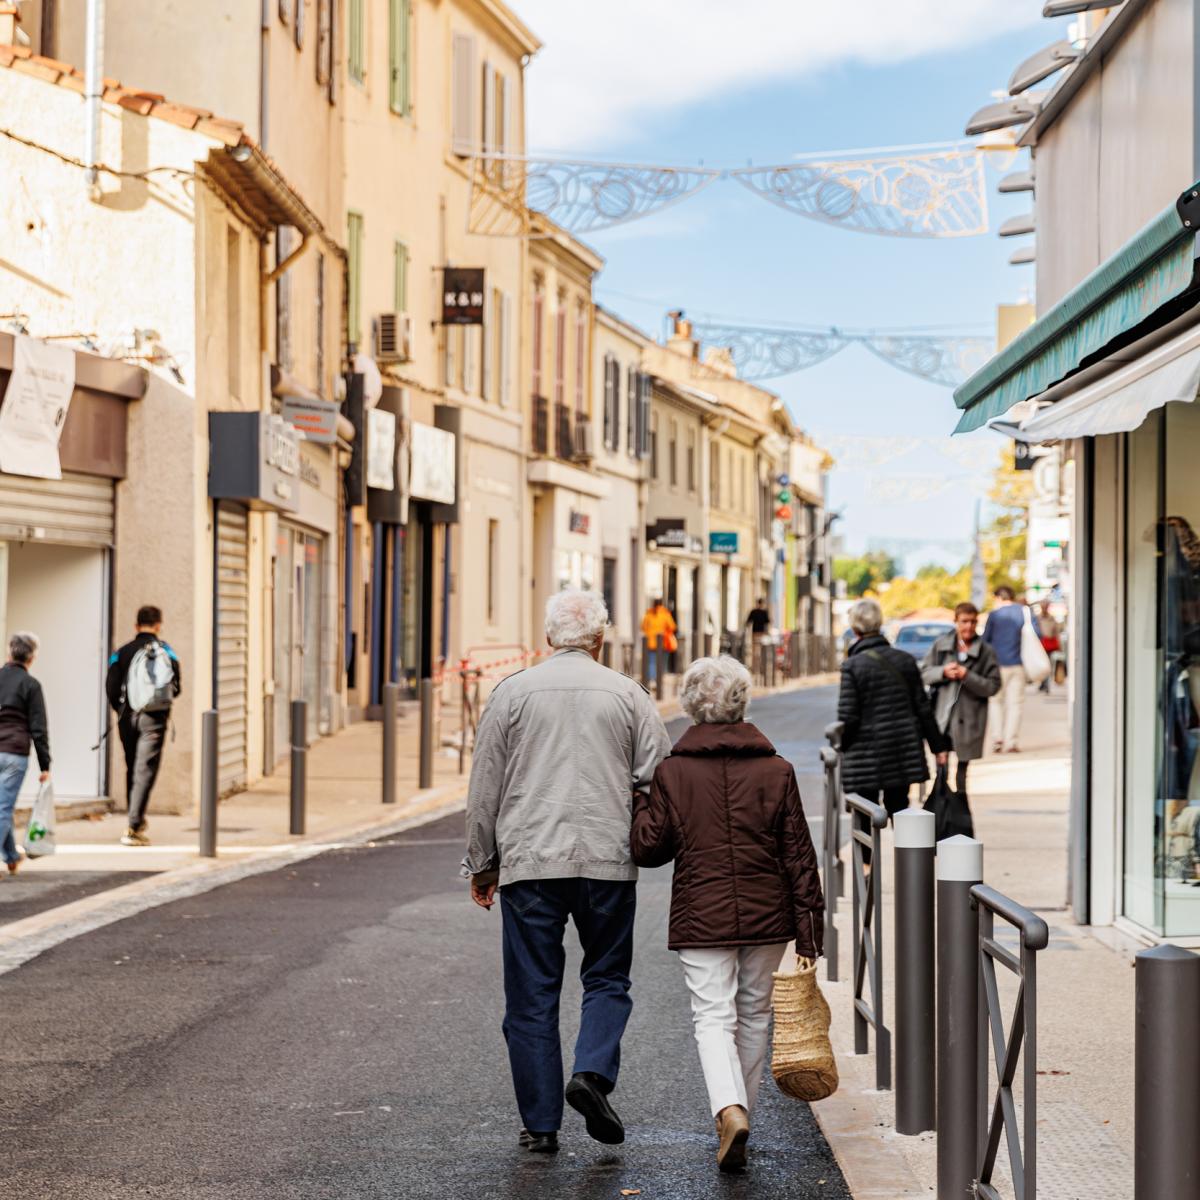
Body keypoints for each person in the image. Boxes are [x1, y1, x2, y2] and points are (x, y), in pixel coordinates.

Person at [464, 588, 671, 1155]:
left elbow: (485, 788)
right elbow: (660, 779)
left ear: (548, 637)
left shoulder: (511, 694)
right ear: (600, 638)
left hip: (529, 863)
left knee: (531, 993)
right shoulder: (630, 695)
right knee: (606, 977)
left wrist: (482, 864)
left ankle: (541, 1124)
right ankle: (592, 1073)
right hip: (607, 862)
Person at [631, 655, 822, 1173]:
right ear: (743, 702)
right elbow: (799, 856)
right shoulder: (777, 770)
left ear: (691, 706)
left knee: (712, 1016)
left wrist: (637, 803)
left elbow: (651, 849)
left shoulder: (672, 772)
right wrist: (809, 933)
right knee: (755, 1013)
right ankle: (741, 1119)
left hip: (702, 913)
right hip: (769, 914)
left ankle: (728, 1109)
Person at [837, 598, 948, 858]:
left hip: (865, 754)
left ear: (855, 630)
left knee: (865, 813)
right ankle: (909, 870)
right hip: (901, 750)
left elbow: (848, 716)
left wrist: (842, 746)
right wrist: (938, 746)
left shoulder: (853, 666)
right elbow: (922, 708)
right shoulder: (905, 660)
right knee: (900, 808)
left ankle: (866, 871)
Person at [106, 606, 181, 847]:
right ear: (158, 625)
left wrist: (122, 710)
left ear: (136, 626)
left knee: (132, 766)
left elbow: (111, 687)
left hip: (127, 717)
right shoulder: (166, 652)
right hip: (154, 719)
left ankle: (134, 818)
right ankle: (134, 825)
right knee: (145, 769)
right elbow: (176, 687)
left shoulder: (121, 652)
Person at [921, 603, 1001, 796]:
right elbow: (923, 674)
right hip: (942, 718)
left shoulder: (986, 651)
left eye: (973, 621)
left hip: (970, 719)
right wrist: (943, 672)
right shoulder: (941, 646)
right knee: (941, 770)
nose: (969, 626)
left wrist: (968, 675)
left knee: (962, 775)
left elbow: (993, 686)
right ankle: (942, 814)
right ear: (956, 622)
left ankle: (960, 815)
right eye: (965, 621)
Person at [0, 632, 50, 876]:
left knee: (2, 806)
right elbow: (38, 728)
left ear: (9, 652)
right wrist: (45, 765)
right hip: (15, 752)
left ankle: (10, 856)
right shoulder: (31, 685)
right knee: (3, 807)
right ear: (31, 658)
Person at [981, 585, 1027, 753]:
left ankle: (998, 739)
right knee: (1015, 704)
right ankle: (1011, 742)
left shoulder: (994, 615)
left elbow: (985, 640)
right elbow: (1037, 633)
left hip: (997, 665)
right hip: (1018, 663)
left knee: (995, 702)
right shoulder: (1024, 611)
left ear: (998, 598)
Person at [640, 597, 677, 683]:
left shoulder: (648, 614)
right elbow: (672, 627)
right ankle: (659, 679)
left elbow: (643, 627)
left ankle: (652, 679)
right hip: (663, 643)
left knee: (651, 662)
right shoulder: (665, 614)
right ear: (661, 604)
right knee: (661, 662)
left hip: (650, 643)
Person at [1036, 602, 1061, 694]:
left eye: (1046, 607)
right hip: (1039, 645)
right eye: (1043, 607)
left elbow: (1056, 633)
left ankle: (1046, 684)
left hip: (1049, 645)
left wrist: (1059, 646)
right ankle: (1043, 683)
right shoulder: (1037, 619)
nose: (1044, 608)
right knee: (1041, 665)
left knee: (1048, 665)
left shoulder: (1052, 619)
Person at [745, 597, 771, 677]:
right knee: (762, 651)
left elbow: (748, 622)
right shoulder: (764, 612)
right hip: (762, 633)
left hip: (755, 633)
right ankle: (761, 667)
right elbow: (768, 622)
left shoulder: (753, 611)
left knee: (754, 651)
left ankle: (755, 668)